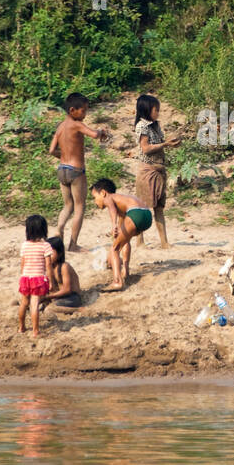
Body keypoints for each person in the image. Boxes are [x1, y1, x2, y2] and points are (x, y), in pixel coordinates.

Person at [50, 93, 110, 252]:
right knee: (79, 207)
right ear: (72, 110)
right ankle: (73, 244)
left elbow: (51, 150)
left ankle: (59, 229)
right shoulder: (76, 125)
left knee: (67, 205)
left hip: (62, 169)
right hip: (76, 170)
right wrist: (101, 131)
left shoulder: (60, 127)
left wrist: (62, 156)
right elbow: (94, 134)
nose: (85, 114)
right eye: (83, 111)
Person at [133, 94, 180, 248]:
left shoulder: (155, 125)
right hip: (148, 171)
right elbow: (145, 149)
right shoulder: (142, 127)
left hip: (158, 170)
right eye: (156, 110)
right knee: (143, 209)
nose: (158, 112)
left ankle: (164, 242)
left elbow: (159, 143)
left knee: (159, 207)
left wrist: (169, 142)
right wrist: (166, 144)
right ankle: (140, 241)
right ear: (147, 110)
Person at [90, 178, 150, 291]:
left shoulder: (109, 197)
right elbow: (123, 238)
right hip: (146, 214)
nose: (95, 202)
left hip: (136, 213)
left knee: (114, 249)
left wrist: (114, 225)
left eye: (95, 197)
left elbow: (111, 208)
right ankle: (125, 271)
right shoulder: (123, 201)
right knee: (123, 241)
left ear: (103, 193)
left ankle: (117, 282)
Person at [18, 214, 55, 336]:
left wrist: (22, 275)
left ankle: (21, 327)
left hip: (25, 278)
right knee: (34, 304)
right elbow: (48, 266)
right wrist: (51, 281)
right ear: (44, 230)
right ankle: (35, 330)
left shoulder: (24, 245)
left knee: (24, 303)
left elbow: (22, 264)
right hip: (37, 279)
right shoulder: (45, 246)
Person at [41, 236, 83, 310]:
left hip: (72, 297)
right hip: (58, 297)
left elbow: (67, 290)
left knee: (50, 308)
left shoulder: (64, 267)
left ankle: (77, 310)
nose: (48, 256)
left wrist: (48, 297)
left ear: (60, 253)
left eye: (51, 253)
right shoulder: (49, 267)